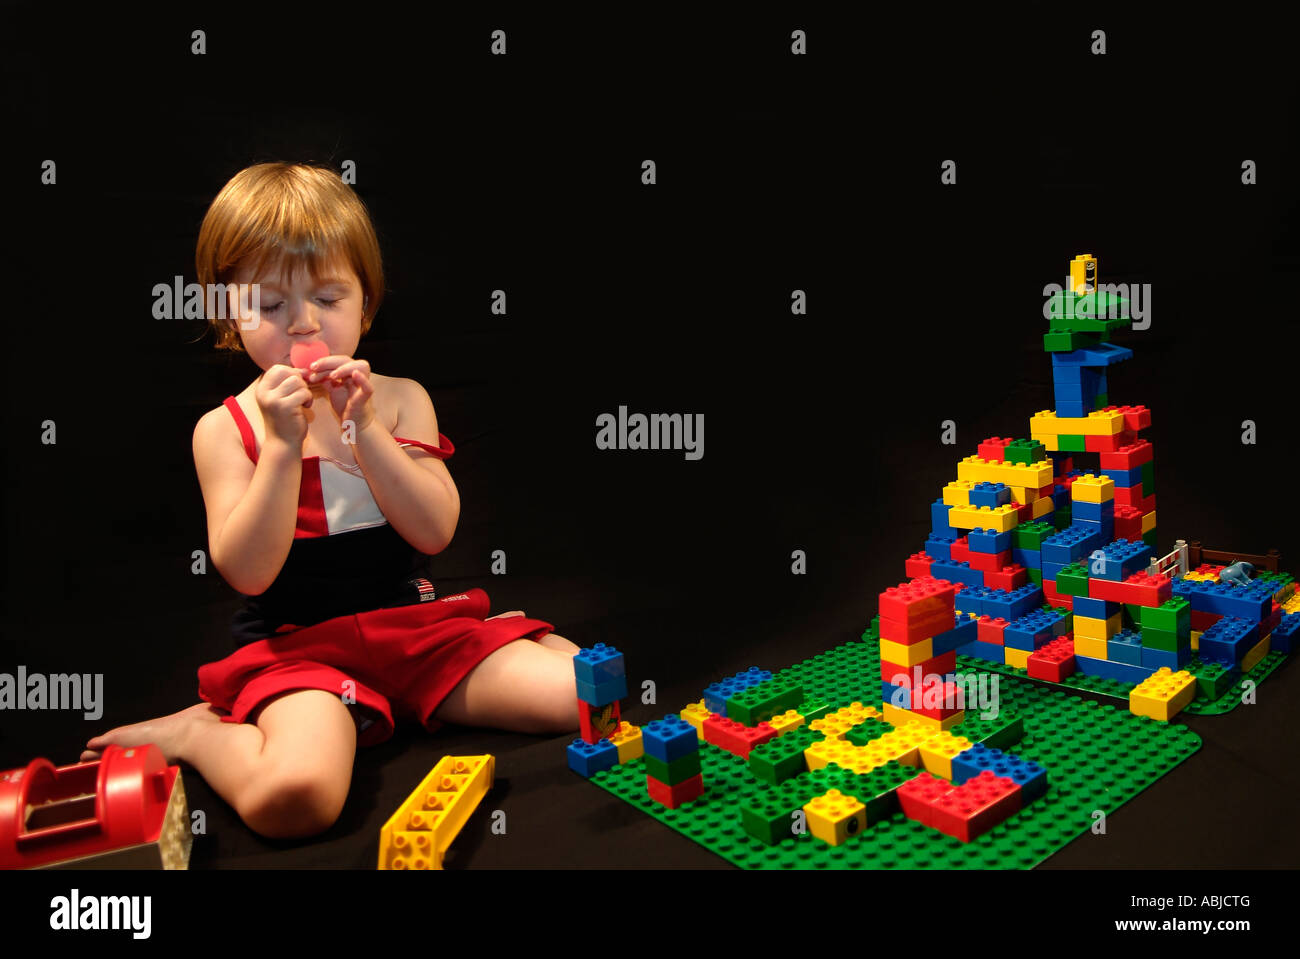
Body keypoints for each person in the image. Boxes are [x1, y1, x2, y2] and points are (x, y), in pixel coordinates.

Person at [81, 162, 581, 839]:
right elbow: (249, 571)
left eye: (328, 297)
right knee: (297, 796)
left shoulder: (402, 398)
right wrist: (284, 448)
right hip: (300, 653)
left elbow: (434, 531)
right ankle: (201, 734)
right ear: (230, 314)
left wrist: (367, 431)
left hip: (415, 629)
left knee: (585, 693)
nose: (304, 325)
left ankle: (431, 682)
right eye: (271, 305)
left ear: (367, 301)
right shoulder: (225, 430)